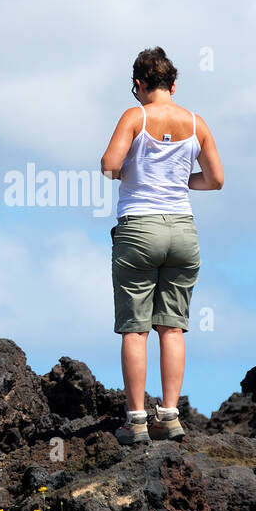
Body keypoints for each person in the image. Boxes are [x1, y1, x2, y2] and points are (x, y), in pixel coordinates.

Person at [100, 47, 224, 445]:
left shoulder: (135, 116)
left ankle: (136, 421)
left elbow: (109, 165)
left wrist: (131, 172)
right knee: (172, 327)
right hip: (183, 231)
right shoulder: (196, 122)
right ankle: (169, 417)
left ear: (139, 85)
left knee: (136, 329)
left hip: (140, 228)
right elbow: (216, 179)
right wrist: (181, 180)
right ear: (173, 84)